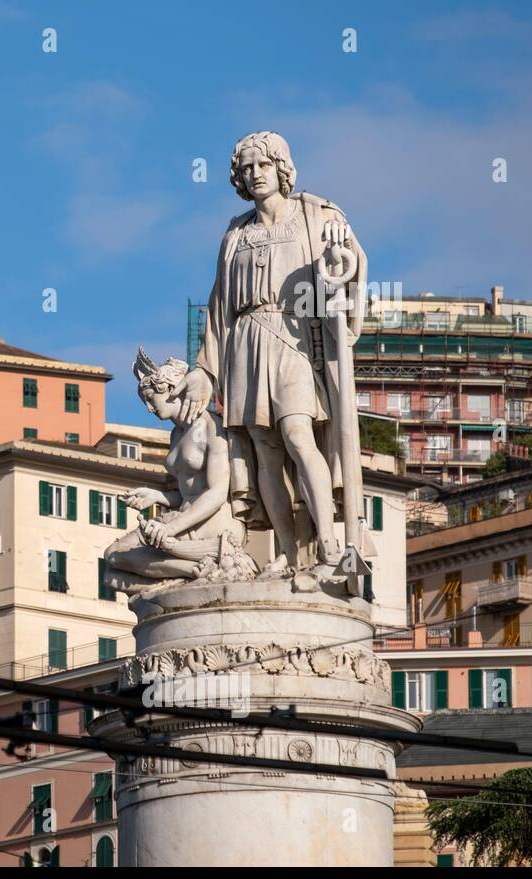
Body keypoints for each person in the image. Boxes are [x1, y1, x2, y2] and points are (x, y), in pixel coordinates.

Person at [171, 131, 367, 578]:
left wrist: (342, 248)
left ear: (281, 168)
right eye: (246, 169)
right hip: (243, 341)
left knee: (298, 434)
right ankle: (287, 552)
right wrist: (205, 369)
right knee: (265, 453)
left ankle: (331, 546)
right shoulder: (235, 234)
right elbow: (219, 304)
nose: (255, 174)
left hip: (293, 335)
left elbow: (348, 266)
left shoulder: (315, 215)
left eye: (262, 165)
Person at [105, 349, 254, 592]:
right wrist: (156, 497)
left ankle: (192, 565)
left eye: (151, 400)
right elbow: (187, 494)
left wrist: (170, 529)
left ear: (172, 391)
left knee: (116, 558)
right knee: (112, 565)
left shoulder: (212, 427)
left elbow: (217, 492)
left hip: (212, 521)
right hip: (182, 518)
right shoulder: (176, 435)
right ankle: (195, 571)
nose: (149, 410)